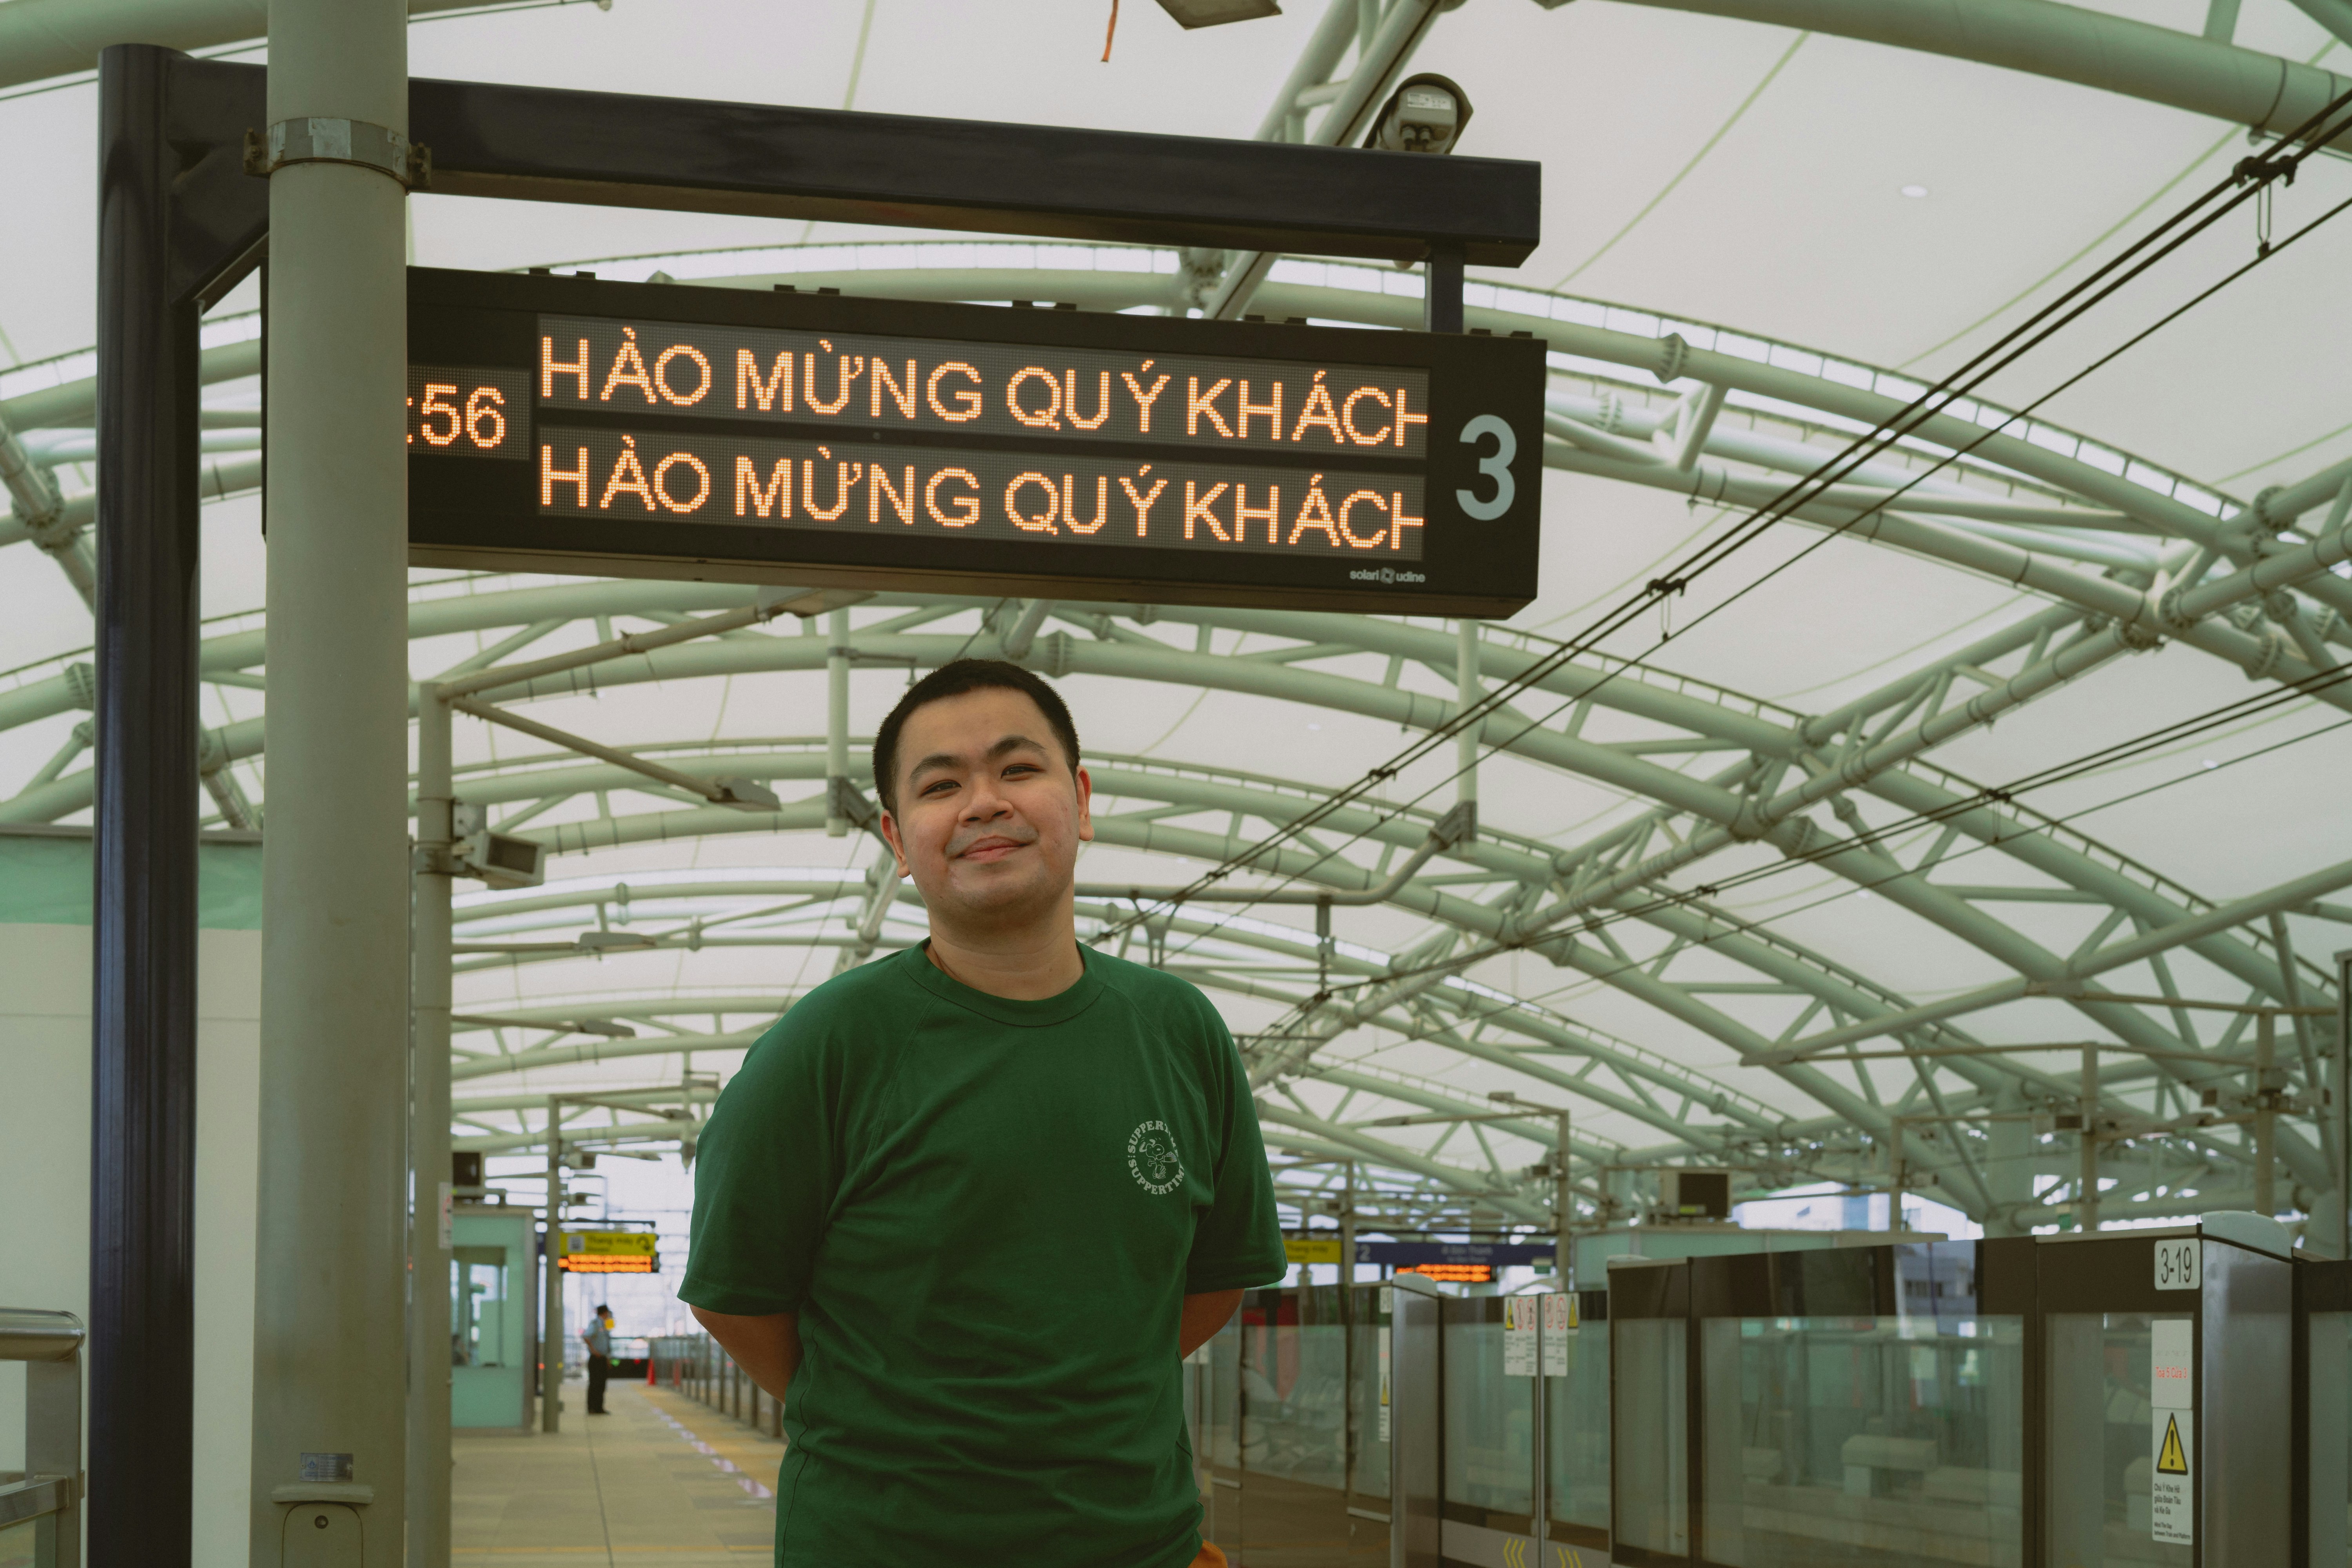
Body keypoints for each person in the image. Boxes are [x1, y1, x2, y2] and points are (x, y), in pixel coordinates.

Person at [682, 659, 1283, 1568]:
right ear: (896, 835)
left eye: (1018, 768)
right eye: (940, 785)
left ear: (1080, 800)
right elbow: (738, 1299)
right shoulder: (826, 1045)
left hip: (1142, 1543)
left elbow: (1210, 1282)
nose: (982, 802)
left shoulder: (1179, 1031)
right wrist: (888, 1418)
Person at [582, 1303, 614, 1415]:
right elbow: (586, 1336)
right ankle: (592, 1408)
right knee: (595, 1384)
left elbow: (608, 1343)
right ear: (604, 1313)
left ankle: (599, 1408)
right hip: (596, 1359)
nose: (609, 1316)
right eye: (608, 1313)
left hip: (603, 1359)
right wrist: (593, 1351)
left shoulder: (606, 1325)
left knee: (602, 1384)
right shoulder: (595, 1324)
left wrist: (608, 1359)